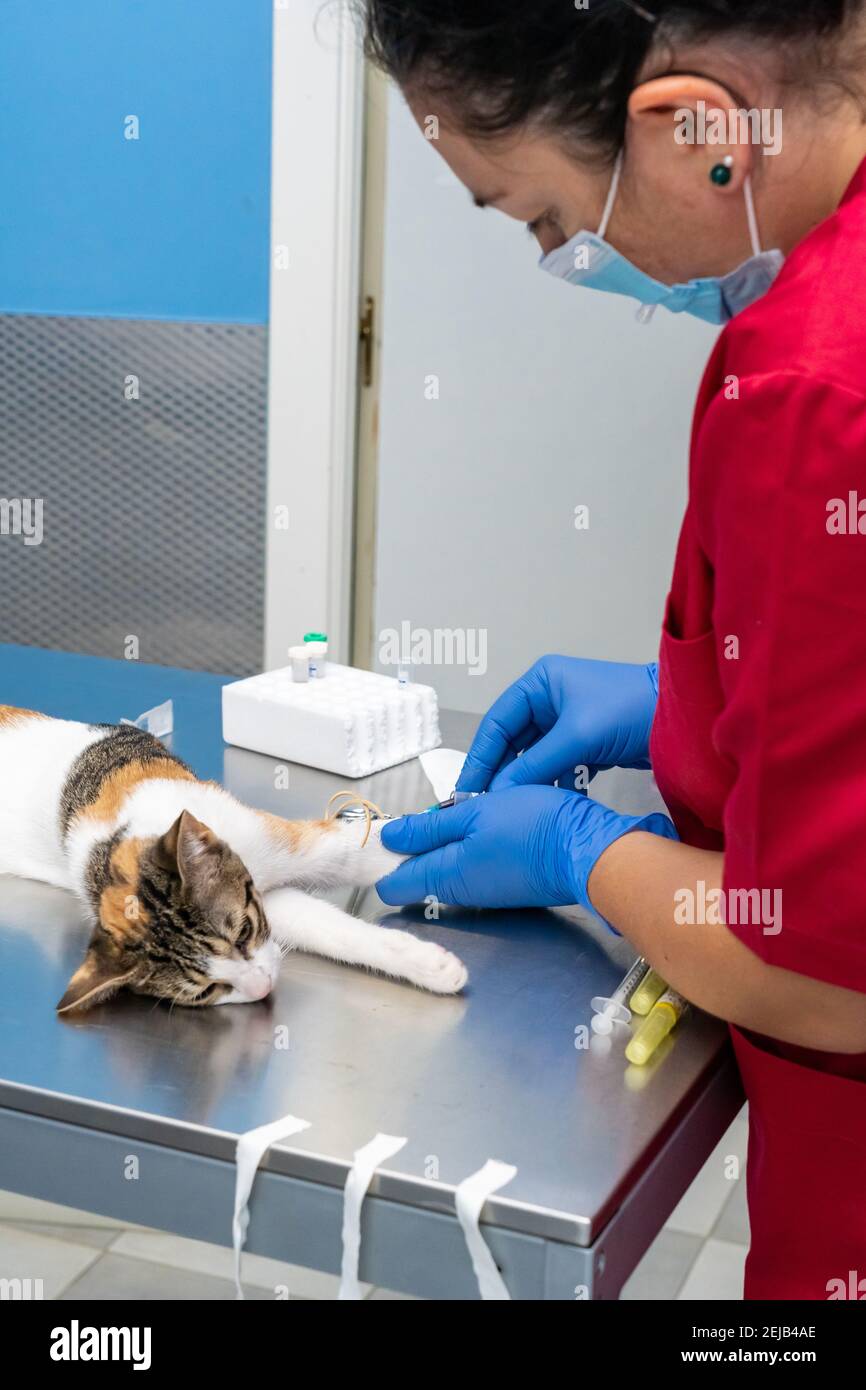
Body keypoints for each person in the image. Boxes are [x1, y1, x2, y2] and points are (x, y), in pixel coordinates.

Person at [362, 1, 866, 1299]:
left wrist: (588, 852)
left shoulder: (814, 386)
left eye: (538, 221)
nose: (563, 256)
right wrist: (690, 709)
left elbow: (823, 978)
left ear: (697, 131)